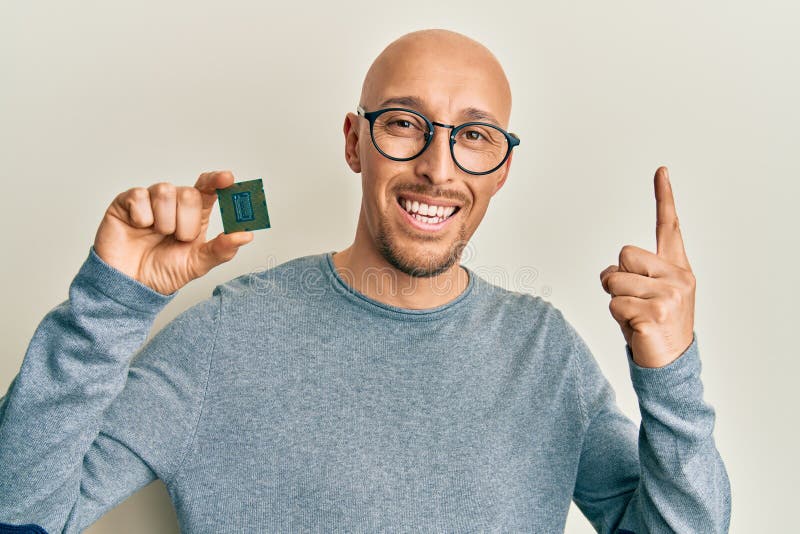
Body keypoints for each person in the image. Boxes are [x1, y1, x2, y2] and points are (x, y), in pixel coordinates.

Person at [0, 29, 730, 533]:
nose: (439, 169)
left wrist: (672, 379)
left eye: (474, 136)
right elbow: (23, 508)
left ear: (502, 168)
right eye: (407, 123)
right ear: (356, 143)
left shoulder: (544, 352)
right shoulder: (226, 338)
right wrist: (109, 305)